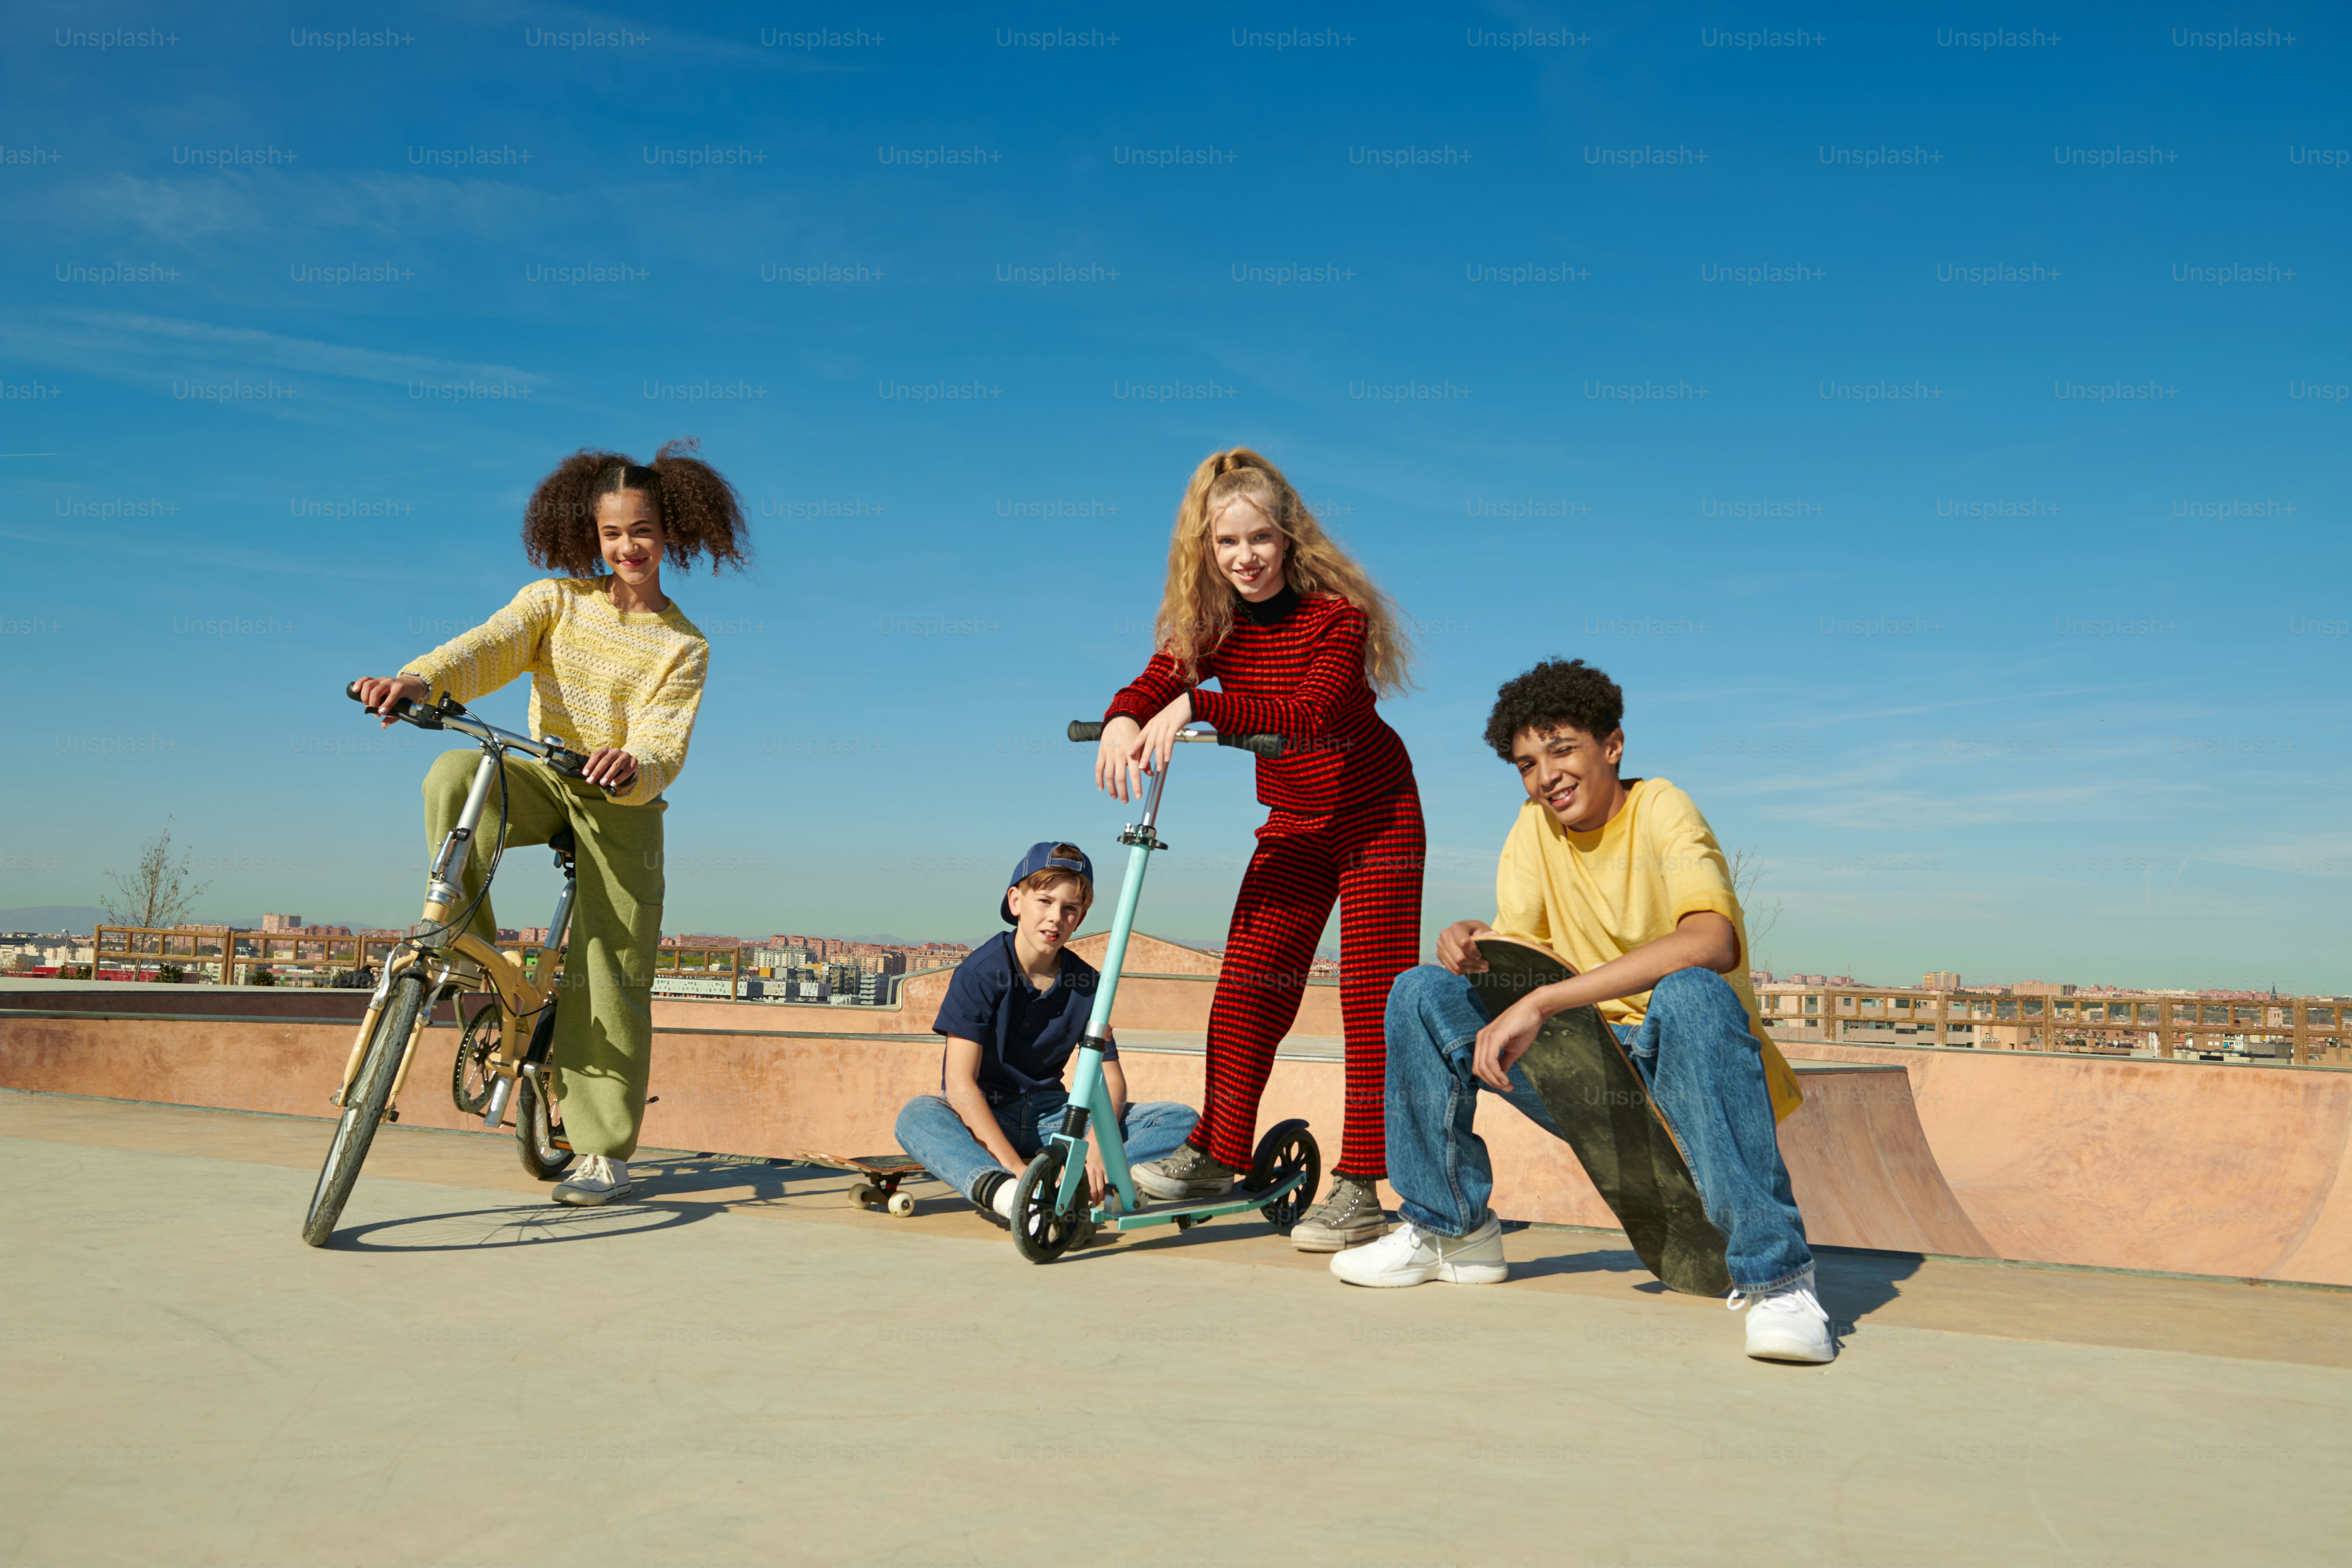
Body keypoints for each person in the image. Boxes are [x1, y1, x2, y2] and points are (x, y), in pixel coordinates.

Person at [1331, 658, 1834, 1364]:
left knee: (1691, 993)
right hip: (1588, 1067)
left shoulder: (1662, 808)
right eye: (1527, 765)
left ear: (1613, 746)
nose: (1547, 777)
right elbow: (1524, 956)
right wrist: (1476, 941)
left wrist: (1544, 1000)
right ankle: (1451, 1231)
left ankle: (1779, 1280)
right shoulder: (1534, 829)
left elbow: (1711, 942)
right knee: (1420, 990)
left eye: (1563, 750)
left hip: (1685, 1072)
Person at [351, 440, 748, 1207]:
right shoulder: (554, 602)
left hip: (621, 801)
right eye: (612, 533)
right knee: (455, 773)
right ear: (591, 535)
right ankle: (467, 946)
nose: (628, 547)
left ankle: (601, 1150)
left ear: (671, 531)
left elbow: (663, 741)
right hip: (543, 774)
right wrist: (416, 680)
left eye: (643, 531)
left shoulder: (684, 645)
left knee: (612, 970)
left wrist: (632, 764)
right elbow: (484, 650)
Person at [1093, 448, 1423, 1252]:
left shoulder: (1338, 618)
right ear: (1207, 547)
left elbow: (1309, 714)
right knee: (1247, 987)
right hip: (1297, 818)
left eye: (1260, 539)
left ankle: (1361, 1186)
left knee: (1369, 1004)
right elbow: (1156, 679)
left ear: (1289, 538)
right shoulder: (1214, 624)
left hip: (1377, 816)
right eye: (1227, 542)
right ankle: (1217, 1154)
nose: (1245, 558)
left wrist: (1199, 705)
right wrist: (1124, 717)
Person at [893, 843, 1200, 1224]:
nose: (1056, 917)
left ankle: (1074, 1180)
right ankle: (1011, 1193)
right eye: (1045, 901)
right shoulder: (980, 973)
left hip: (1056, 1118)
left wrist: (1096, 1149)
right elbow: (959, 1083)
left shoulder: (1087, 984)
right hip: (989, 1114)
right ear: (1016, 901)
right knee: (917, 1116)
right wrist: (1016, 1170)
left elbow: (1112, 1081)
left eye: (1070, 908)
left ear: (1080, 918)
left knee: (1180, 1119)